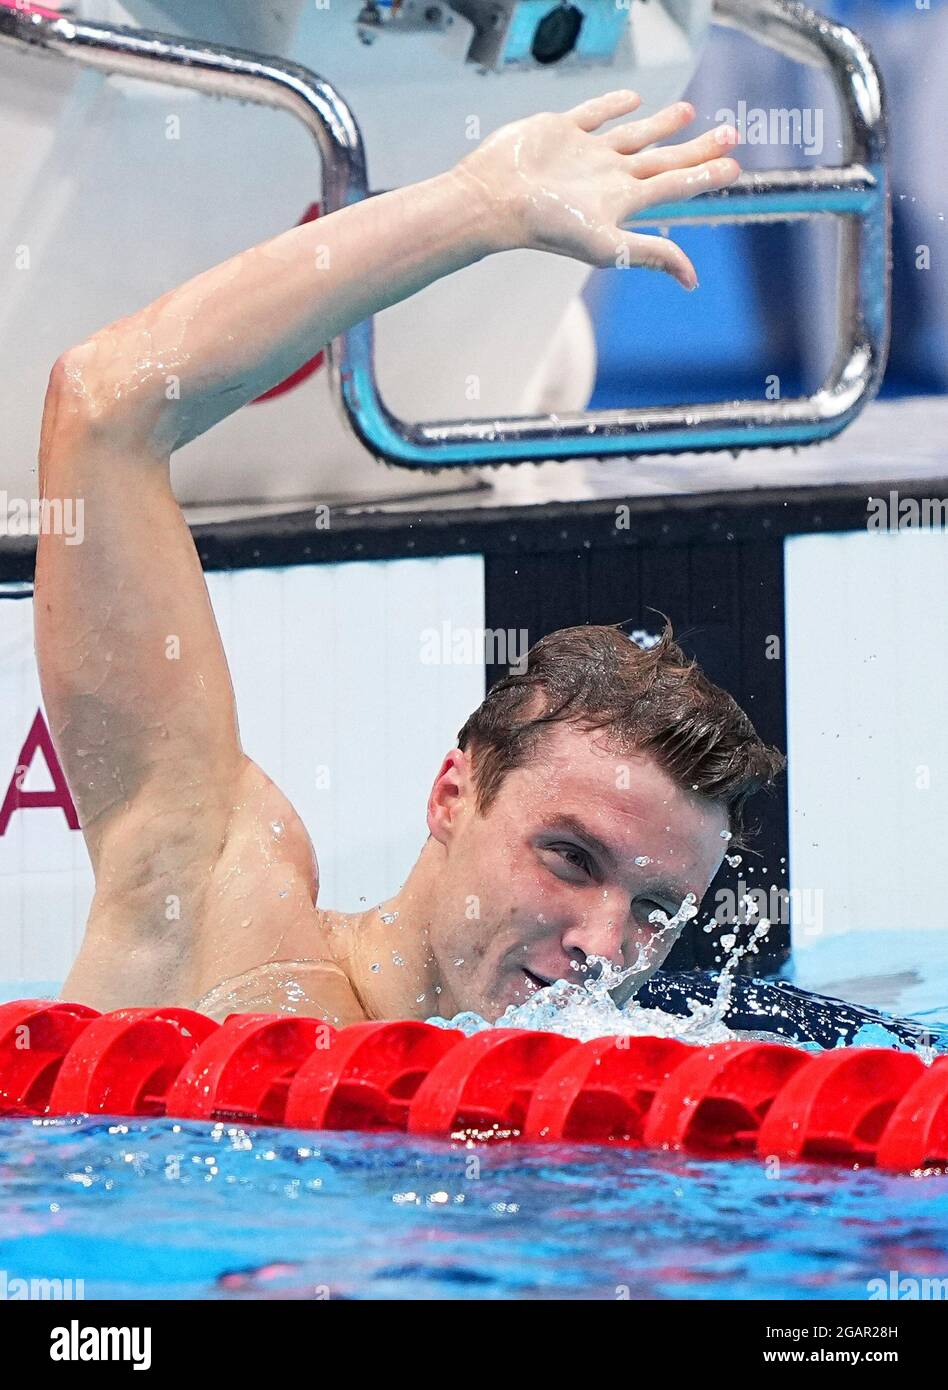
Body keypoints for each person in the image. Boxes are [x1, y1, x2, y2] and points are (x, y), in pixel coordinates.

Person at [36, 89, 776, 1025]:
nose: (599, 944)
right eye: (569, 857)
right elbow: (106, 406)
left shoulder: (615, 1078)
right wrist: (479, 205)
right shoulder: (223, 915)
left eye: (656, 910)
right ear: (451, 794)